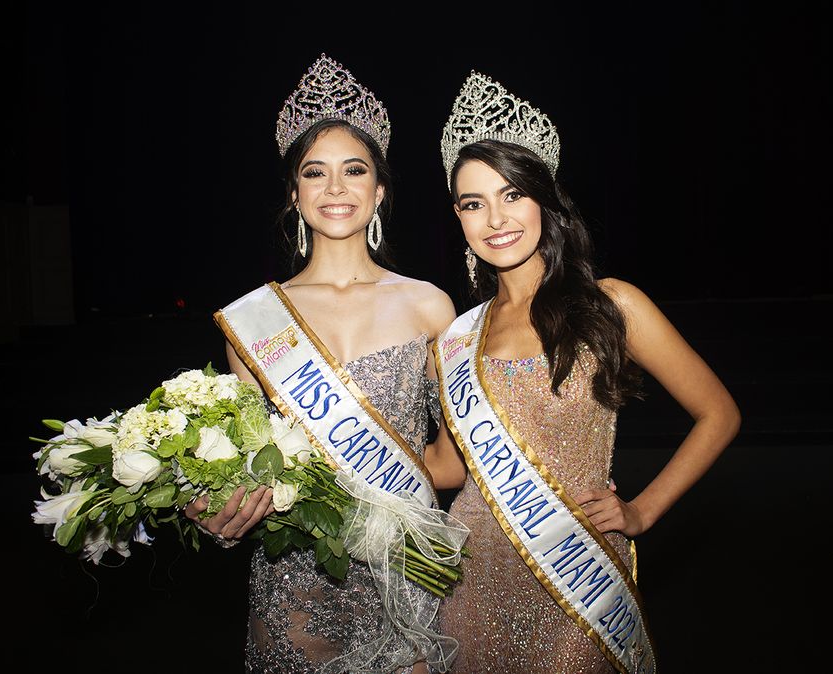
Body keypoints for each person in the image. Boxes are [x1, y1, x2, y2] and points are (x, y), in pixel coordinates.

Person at [433, 71, 741, 673]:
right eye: (473, 203)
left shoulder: (612, 304)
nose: (495, 218)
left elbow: (719, 414)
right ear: (460, 219)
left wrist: (643, 511)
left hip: (577, 580)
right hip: (471, 577)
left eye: (512, 194)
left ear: (545, 200)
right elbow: (448, 464)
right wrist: (330, 457)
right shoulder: (455, 338)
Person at [184, 54, 467, 674]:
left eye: (354, 170)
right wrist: (215, 506)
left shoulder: (429, 306)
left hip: (403, 574)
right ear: (295, 193)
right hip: (295, 582)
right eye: (316, 172)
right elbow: (248, 466)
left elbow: (453, 461)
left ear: (379, 190)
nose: (336, 188)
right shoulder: (256, 322)